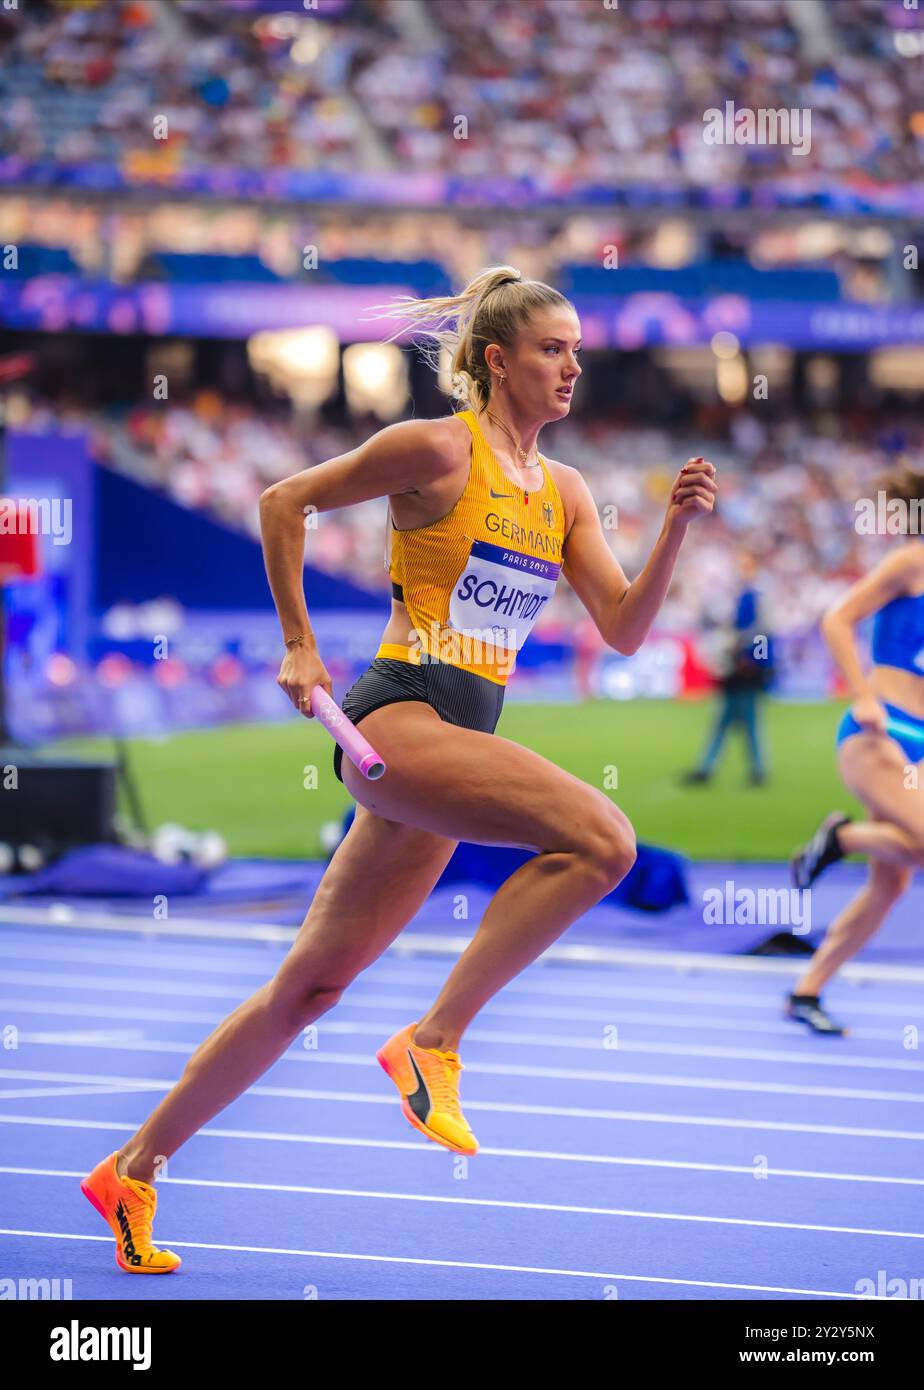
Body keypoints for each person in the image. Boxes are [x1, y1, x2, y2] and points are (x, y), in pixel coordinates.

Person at [80, 265, 717, 1272]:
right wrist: (299, 643)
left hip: (449, 745)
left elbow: (627, 629)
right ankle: (434, 1039)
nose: (573, 367)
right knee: (604, 840)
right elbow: (285, 502)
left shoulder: (566, 492)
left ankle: (134, 1168)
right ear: (498, 359)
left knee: (309, 987)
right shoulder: (434, 448)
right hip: (397, 719)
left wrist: (676, 528)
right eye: (554, 349)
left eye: (578, 351)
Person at [789, 466, 924, 1034]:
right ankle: (840, 838)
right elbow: (836, 618)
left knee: (890, 882)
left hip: (917, 739)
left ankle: (807, 991)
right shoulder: (912, 560)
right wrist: (864, 695)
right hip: (881, 729)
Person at [681, 551, 773, 786]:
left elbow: (760, 631)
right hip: (737, 667)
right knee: (731, 721)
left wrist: (747, 656)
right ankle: (720, 768)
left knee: (742, 721)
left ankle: (750, 769)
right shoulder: (742, 596)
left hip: (745, 668)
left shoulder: (755, 596)